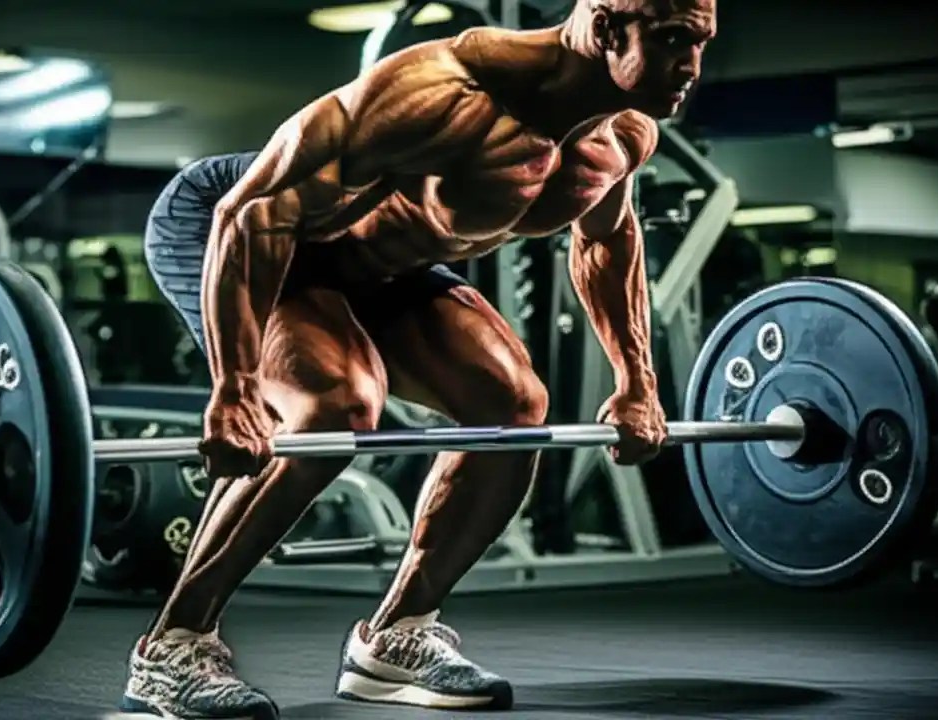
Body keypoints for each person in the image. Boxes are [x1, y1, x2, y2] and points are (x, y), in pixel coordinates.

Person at [131, 0, 716, 717]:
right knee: (338, 403)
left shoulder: (625, 134)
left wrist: (636, 381)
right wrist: (235, 389)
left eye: (701, 42)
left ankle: (396, 637)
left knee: (514, 407)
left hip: (381, 269)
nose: (692, 66)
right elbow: (256, 212)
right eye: (674, 41)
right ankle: (174, 645)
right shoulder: (447, 88)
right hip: (242, 222)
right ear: (603, 31)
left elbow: (606, 240)